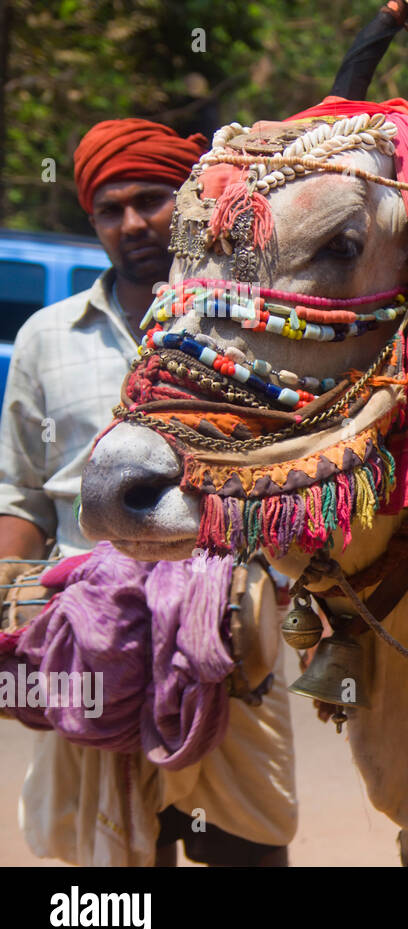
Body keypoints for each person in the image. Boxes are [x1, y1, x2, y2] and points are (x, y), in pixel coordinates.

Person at [0, 118, 298, 866]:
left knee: (249, 848)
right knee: (118, 870)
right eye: (110, 209)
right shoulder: (47, 336)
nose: (132, 223)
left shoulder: (251, 327)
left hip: (224, 630)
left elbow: (295, 476)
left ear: (191, 201)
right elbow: (22, 494)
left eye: (152, 199)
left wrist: (281, 591)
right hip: (90, 639)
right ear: (92, 221)